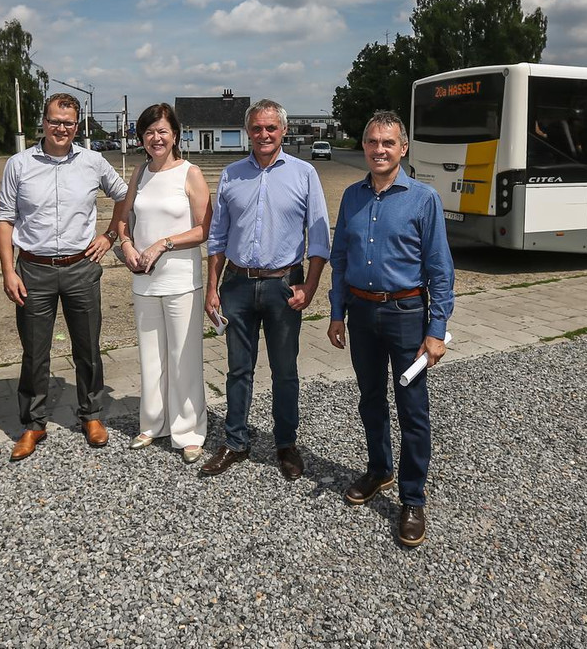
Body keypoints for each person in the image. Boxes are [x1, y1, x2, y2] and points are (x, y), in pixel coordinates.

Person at [326, 110, 454, 547]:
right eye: (372, 142)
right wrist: (336, 312)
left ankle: (413, 497)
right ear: (364, 146)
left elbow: (440, 269)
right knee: (370, 399)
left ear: (403, 148)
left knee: (412, 409)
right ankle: (380, 470)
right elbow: (340, 256)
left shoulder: (423, 200)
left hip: (406, 315)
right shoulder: (351, 197)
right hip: (361, 315)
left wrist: (436, 330)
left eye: (388, 143)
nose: (379, 150)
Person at [201, 99, 330, 480]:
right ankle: (235, 442)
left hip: (283, 286)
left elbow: (319, 237)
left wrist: (309, 285)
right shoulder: (231, 175)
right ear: (248, 131)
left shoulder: (305, 174)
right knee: (238, 369)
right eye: (257, 128)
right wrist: (213, 288)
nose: (264, 134)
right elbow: (218, 237)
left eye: (271, 128)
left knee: (285, 370)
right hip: (237, 285)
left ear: (284, 131)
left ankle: (285, 444)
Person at [0, 93, 128, 459]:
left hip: (80, 269)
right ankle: (33, 425)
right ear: (43, 121)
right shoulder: (19, 165)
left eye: (68, 123)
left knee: (87, 348)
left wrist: (110, 236)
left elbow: (125, 196)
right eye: (55, 121)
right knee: (34, 353)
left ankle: (92, 415)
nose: (61, 128)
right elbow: (5, 220)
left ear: (77, 125)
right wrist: (8, 270)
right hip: (33, 270)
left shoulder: (93, 162)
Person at [116, 103, 212, 464]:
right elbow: (125, 218)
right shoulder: (139, 173)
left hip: (181, 281)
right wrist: (126, 245)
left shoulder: (190, 173)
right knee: (151, 357)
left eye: (162, 131)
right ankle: (153, 423)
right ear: (142, 137)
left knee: (183, 358)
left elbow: (204, 229)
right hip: (144, 282)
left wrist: (163, 243)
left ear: (175, 135)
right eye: (149, 132)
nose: (156, 138)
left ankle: (188, 430)